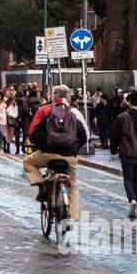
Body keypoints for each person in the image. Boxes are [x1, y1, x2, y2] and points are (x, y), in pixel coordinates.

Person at [23, 84, 89, 227]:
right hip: (69, 156)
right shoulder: (74, 112)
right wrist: (74, 148)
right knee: (72, 186)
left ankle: (41, 184)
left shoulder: (45, 110)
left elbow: (33, 132)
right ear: (68, 98)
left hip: (48, 154)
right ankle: (71, 218)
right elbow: (84, 135)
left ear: (53, 97)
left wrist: (41, 146)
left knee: (28, 162)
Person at [109, 91, 137, 220]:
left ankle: (132, 199)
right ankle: (136, 201)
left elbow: (115, 135)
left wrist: (113, 150)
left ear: (129, 102)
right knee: (136, 178)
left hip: (126, 151)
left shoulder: (121, 117)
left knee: (128, 179)